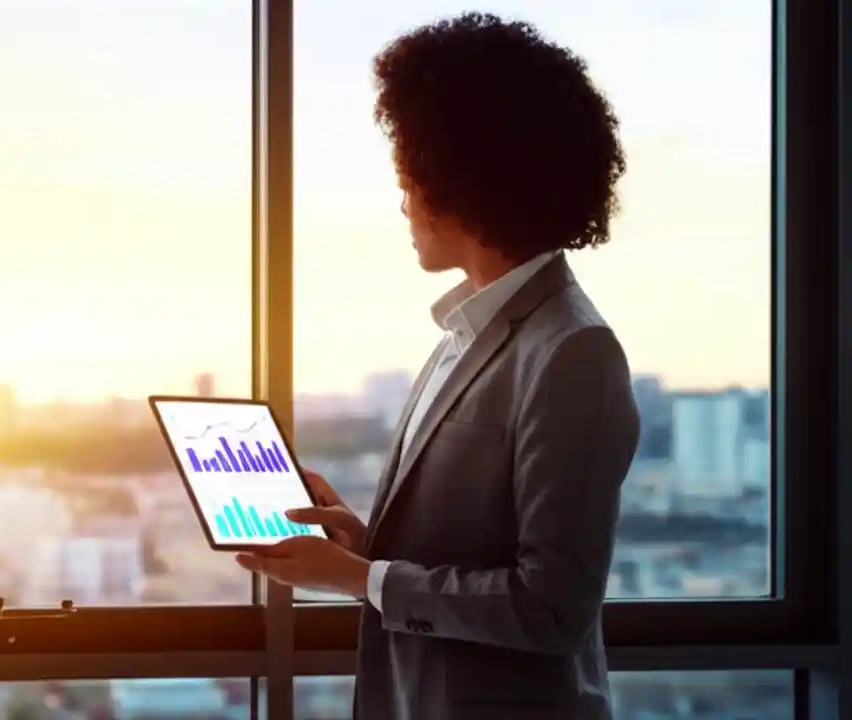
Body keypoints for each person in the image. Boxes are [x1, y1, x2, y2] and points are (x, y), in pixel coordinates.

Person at [235, 13, 640, 719]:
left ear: (458, 179)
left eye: (407, 175)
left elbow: (550, 607)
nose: (401, 200)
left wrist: (366, 578)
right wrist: (364, 547)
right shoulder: (471, 333)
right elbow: (477, 549)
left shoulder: (572, 352)